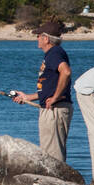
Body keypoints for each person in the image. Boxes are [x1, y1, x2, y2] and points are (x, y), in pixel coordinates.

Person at [12, 21, 72, 162]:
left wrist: (55, 97)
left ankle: (58, 183)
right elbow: (49, 87)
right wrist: (27, 97)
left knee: (53, 156)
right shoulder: (52, 54)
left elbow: (66, 72)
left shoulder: (54, 53)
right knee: (49, 152)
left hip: (55, 110)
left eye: (38, 36)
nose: (37, 39)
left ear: (46, 38)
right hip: (52, 108)